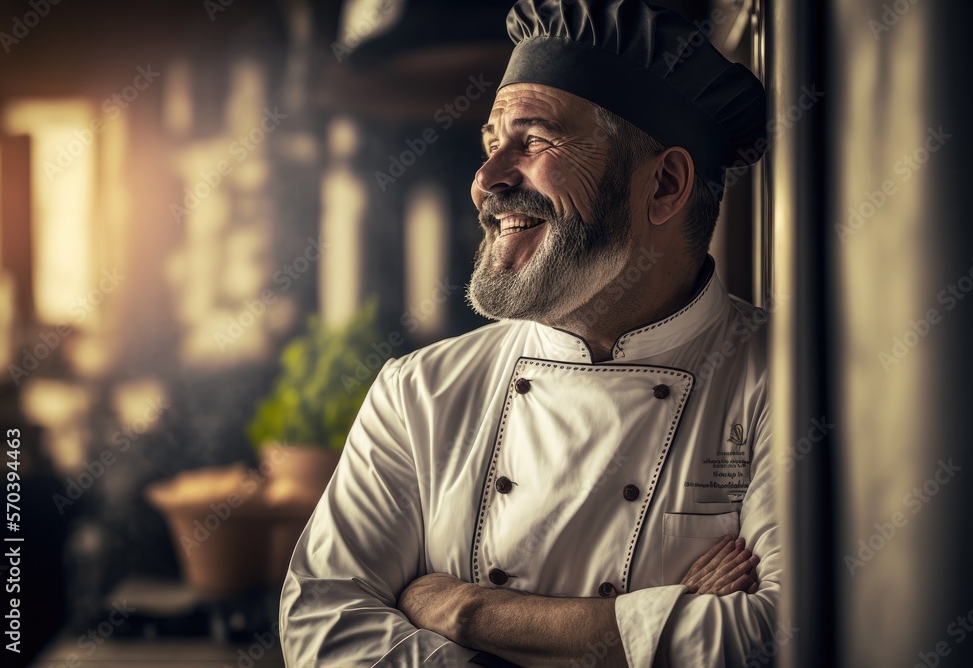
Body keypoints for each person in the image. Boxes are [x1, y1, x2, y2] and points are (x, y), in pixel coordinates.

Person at [279, 1, 778, 665]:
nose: (486, 180)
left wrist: (468, 610)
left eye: (535, 141)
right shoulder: (418, 392)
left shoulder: (786, 377)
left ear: (663, 185)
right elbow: (322, 626)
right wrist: (654, 623)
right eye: (492, 144)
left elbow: (783, 634)